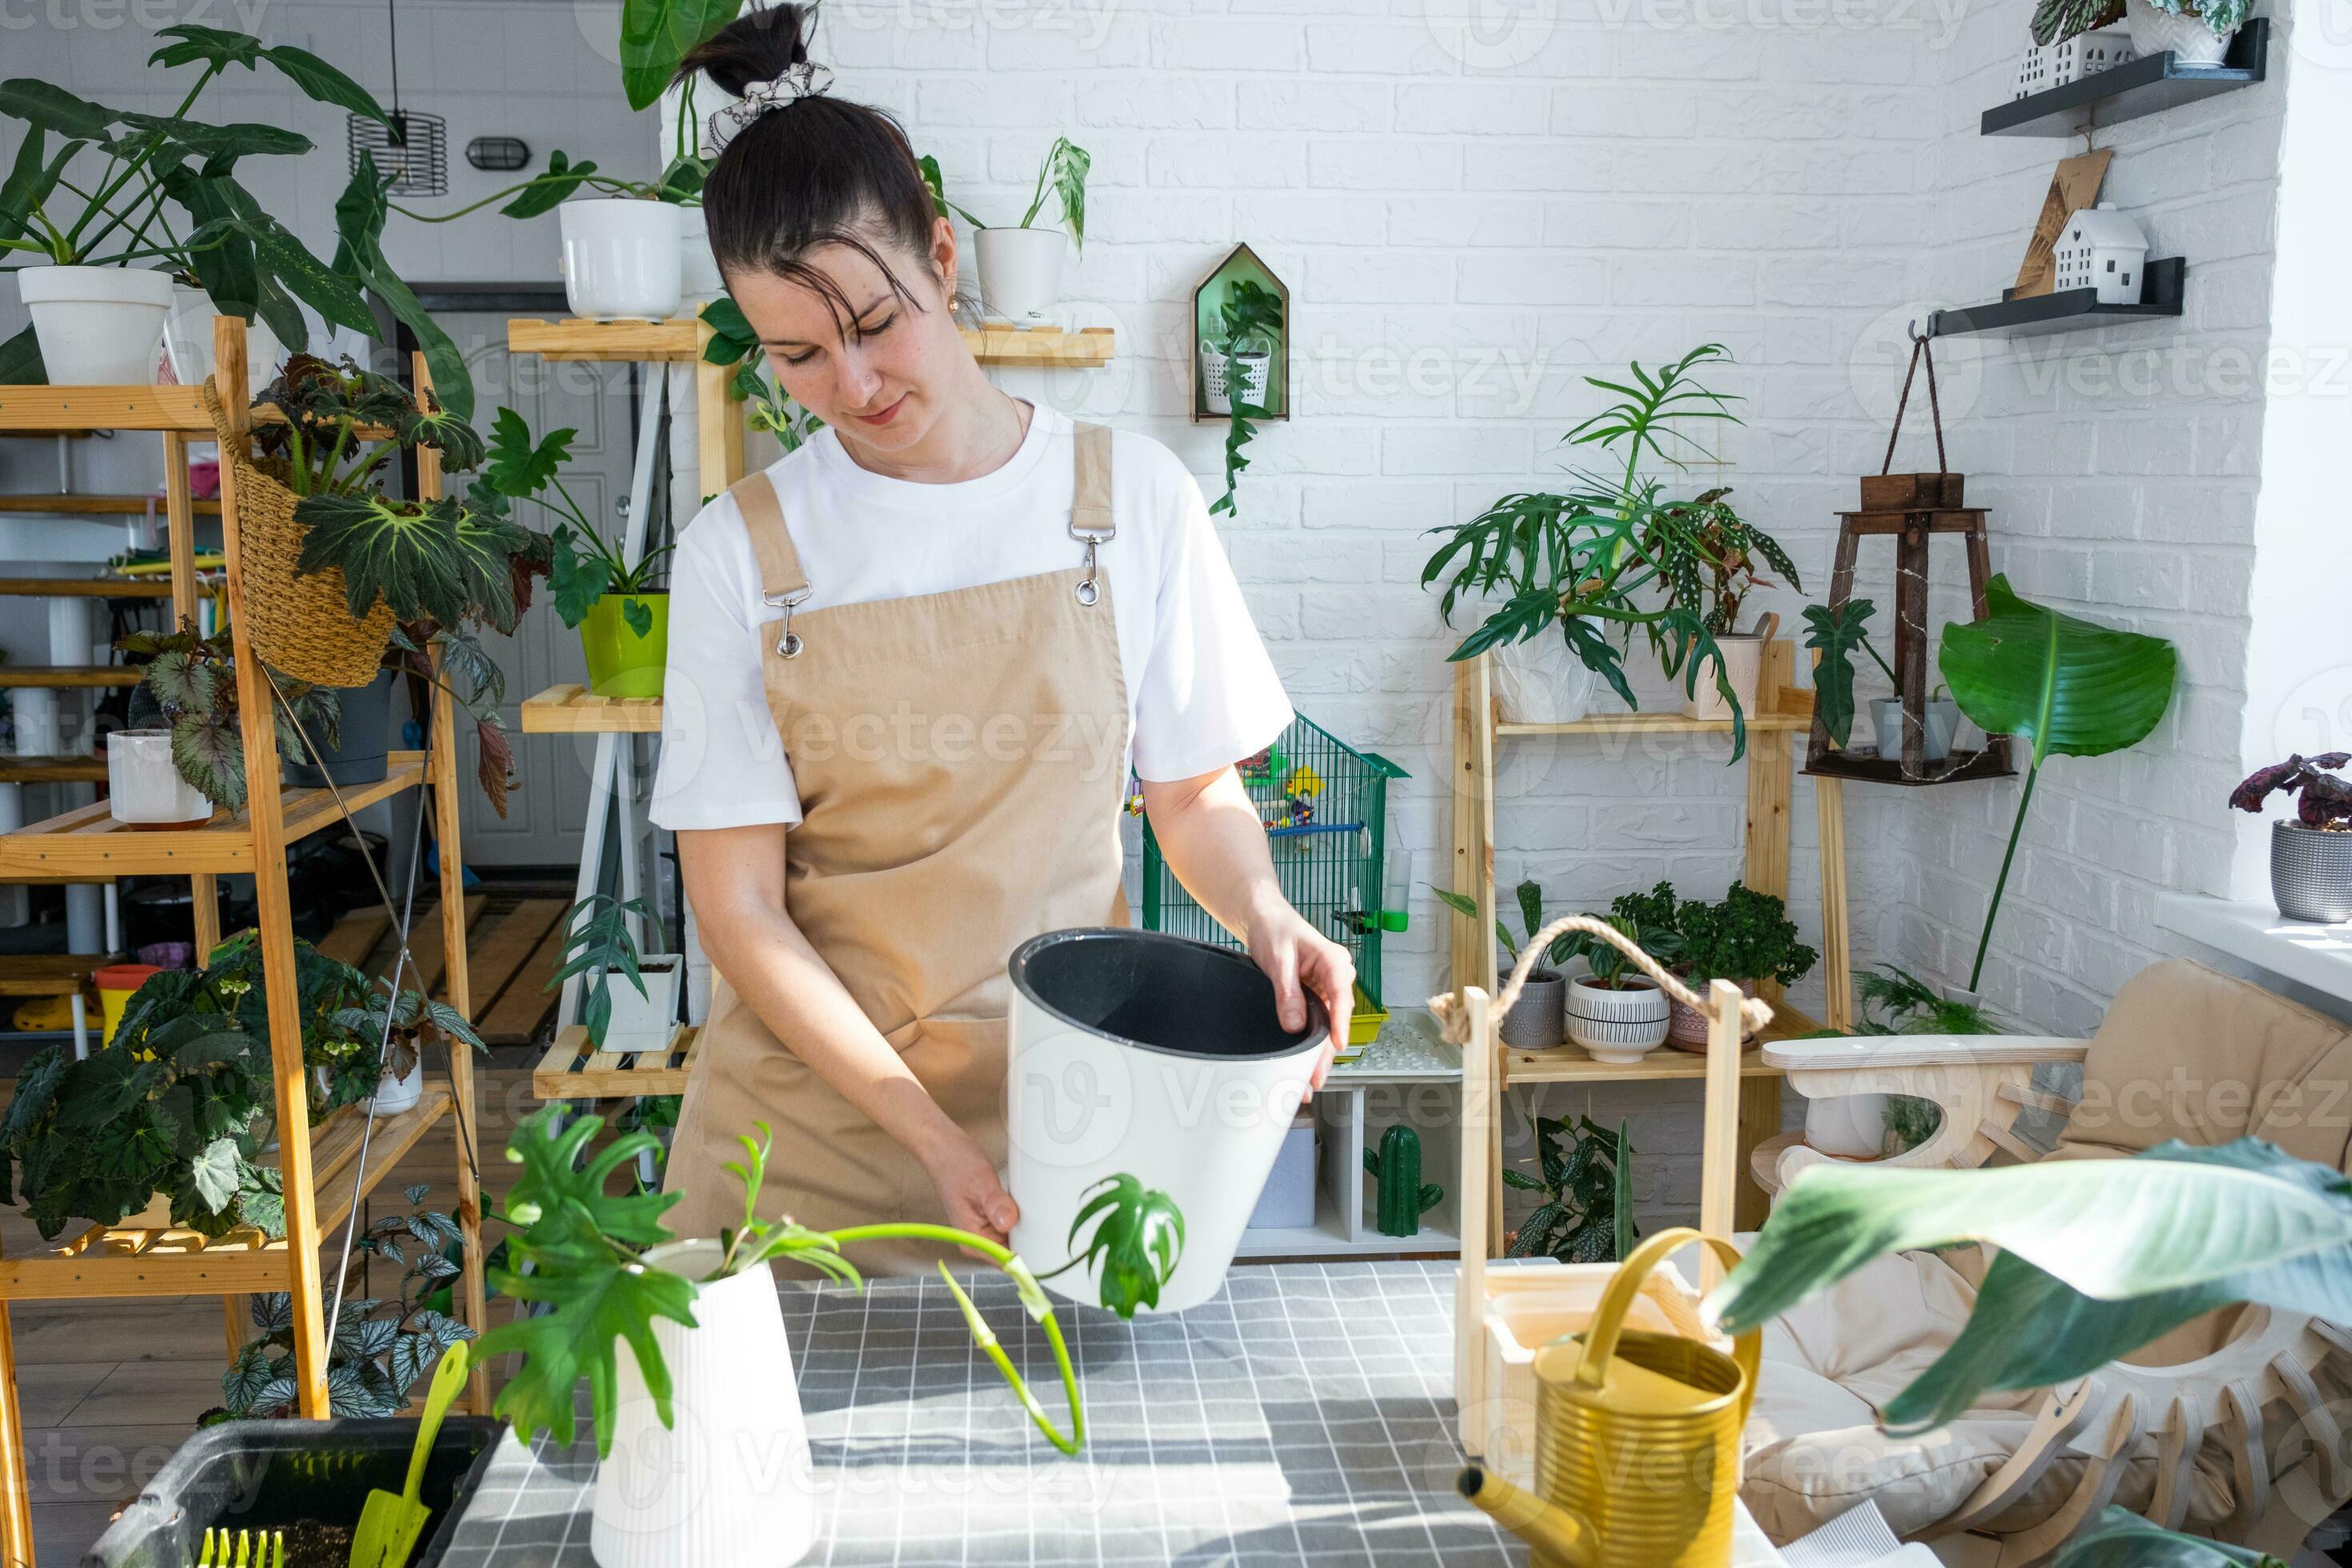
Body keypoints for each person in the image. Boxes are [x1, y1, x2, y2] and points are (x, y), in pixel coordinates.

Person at [647, 2, 1352, 1274]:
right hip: (806, 1148)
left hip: (1072, 1130)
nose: (853, 390)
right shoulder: (739, 554)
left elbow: (1191, 791)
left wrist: (1262, 910)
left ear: (943, 256)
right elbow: (742, 908)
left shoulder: (1130, 502)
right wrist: (924, 1132)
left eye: (875, 325)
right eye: (795, 356)